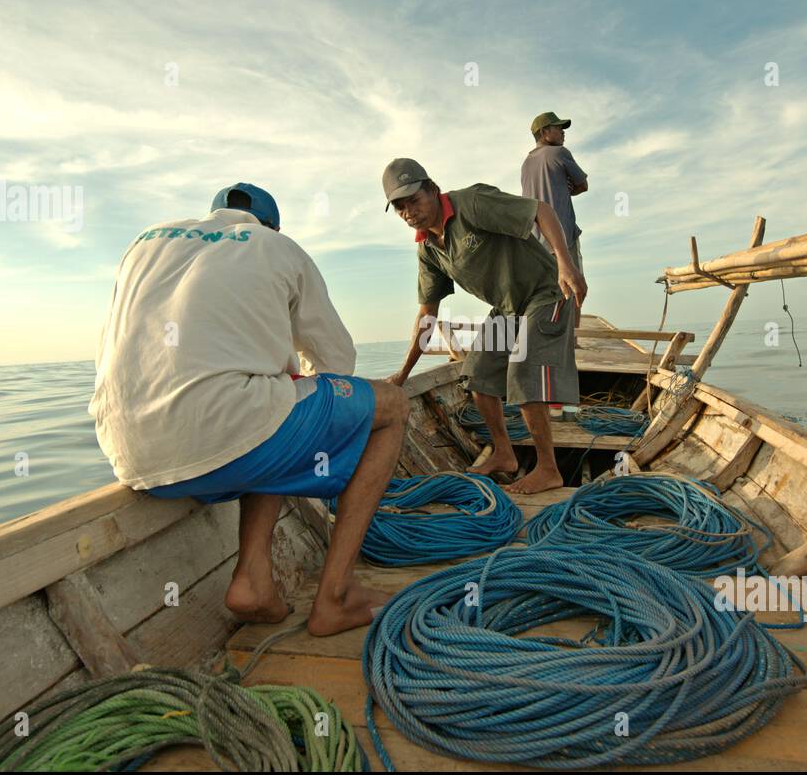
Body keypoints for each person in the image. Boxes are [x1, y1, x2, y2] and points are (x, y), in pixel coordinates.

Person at [88, 183, 404, 636]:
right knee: (390, 406)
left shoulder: (145, 241)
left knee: (272, 394)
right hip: (224, 440)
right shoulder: (277, 247)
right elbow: (339, 363)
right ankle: (335, 597)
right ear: (270, 225)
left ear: (212, 216)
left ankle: (254, 580)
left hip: (127, 452)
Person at [381, 158, 587, 495]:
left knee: (523, 372)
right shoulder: (428, 250)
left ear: (432, 190)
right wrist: (402, 374)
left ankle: (548, 469)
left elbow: (541, 211)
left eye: (414, 201)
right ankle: (504, 453)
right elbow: (427, 316)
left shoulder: (472, 203)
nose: (409, 212)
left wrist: (565, 264)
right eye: (400, 207)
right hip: (507, 308)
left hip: (547, 292)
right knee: (477, 373)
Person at [521, 112, 588, 288]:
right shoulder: (560, 152)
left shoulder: (526, 163)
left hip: (535, 243)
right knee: (575, 289)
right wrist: (567, 189)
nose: (563, 132)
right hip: (563, 238)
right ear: (544, 132)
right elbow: (583, 185)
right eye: (558, 128)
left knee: (546, 292)